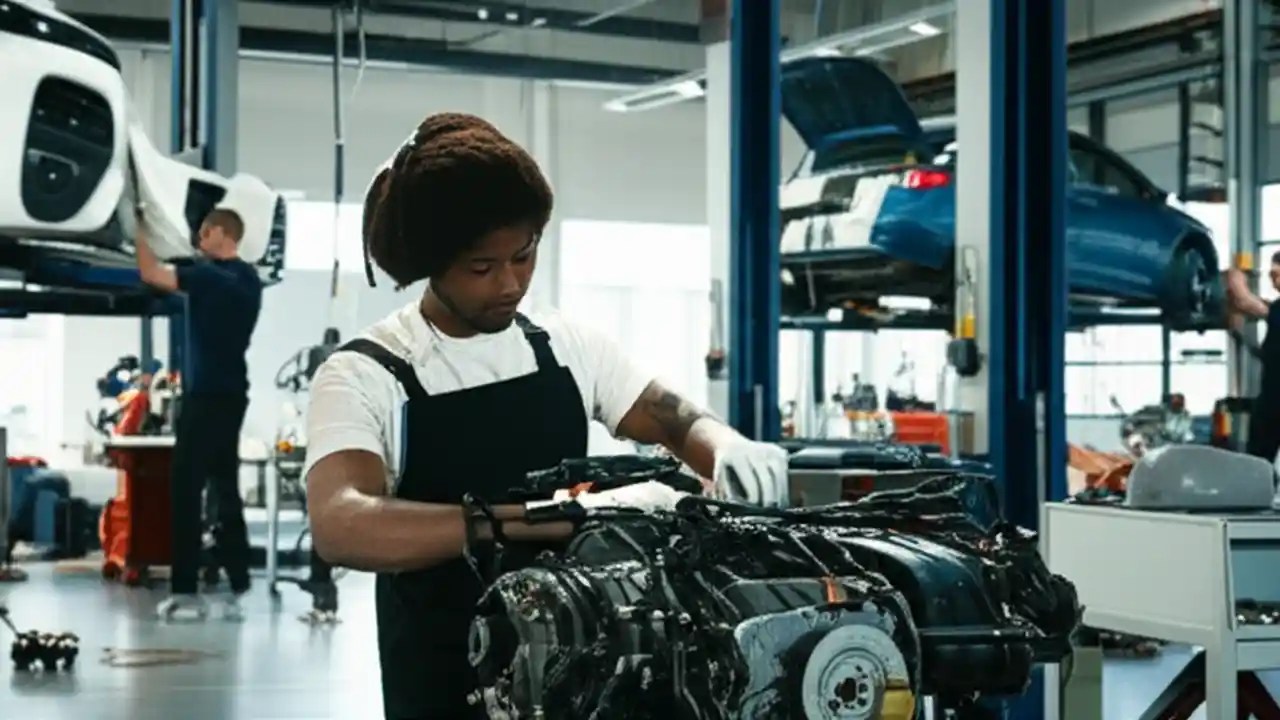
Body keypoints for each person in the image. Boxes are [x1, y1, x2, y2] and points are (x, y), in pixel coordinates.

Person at [302, 112, 789, 719]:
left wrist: (726, 445)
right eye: (482, 268)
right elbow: (340, 521)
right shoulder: (369, 372)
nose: (510, 283)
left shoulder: (563, 344)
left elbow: (669, 419)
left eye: (524, 255)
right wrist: (527, 522)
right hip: (444, 680)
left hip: (581, 679)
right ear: (434, 263)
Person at [134, 204, 263, 620]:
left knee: (185, 488)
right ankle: (240, 583)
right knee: (225, 486)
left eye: (204, 234)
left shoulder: (208, 277)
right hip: (233, 396)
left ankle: (185, 591)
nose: (199, 241)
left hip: (206, 397)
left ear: (222, 234)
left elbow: (151, 275)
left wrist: (136, 228)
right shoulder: (249, 279)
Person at [1224, 252, 1280, 466]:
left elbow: (1247, 303)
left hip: (1275, 401)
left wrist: (1236, 279)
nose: (1272, 280)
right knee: (1258, 460)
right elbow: (1267, 356)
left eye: (1276, 274)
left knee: (1258, 460)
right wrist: (1239, 335)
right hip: (1271, 397)